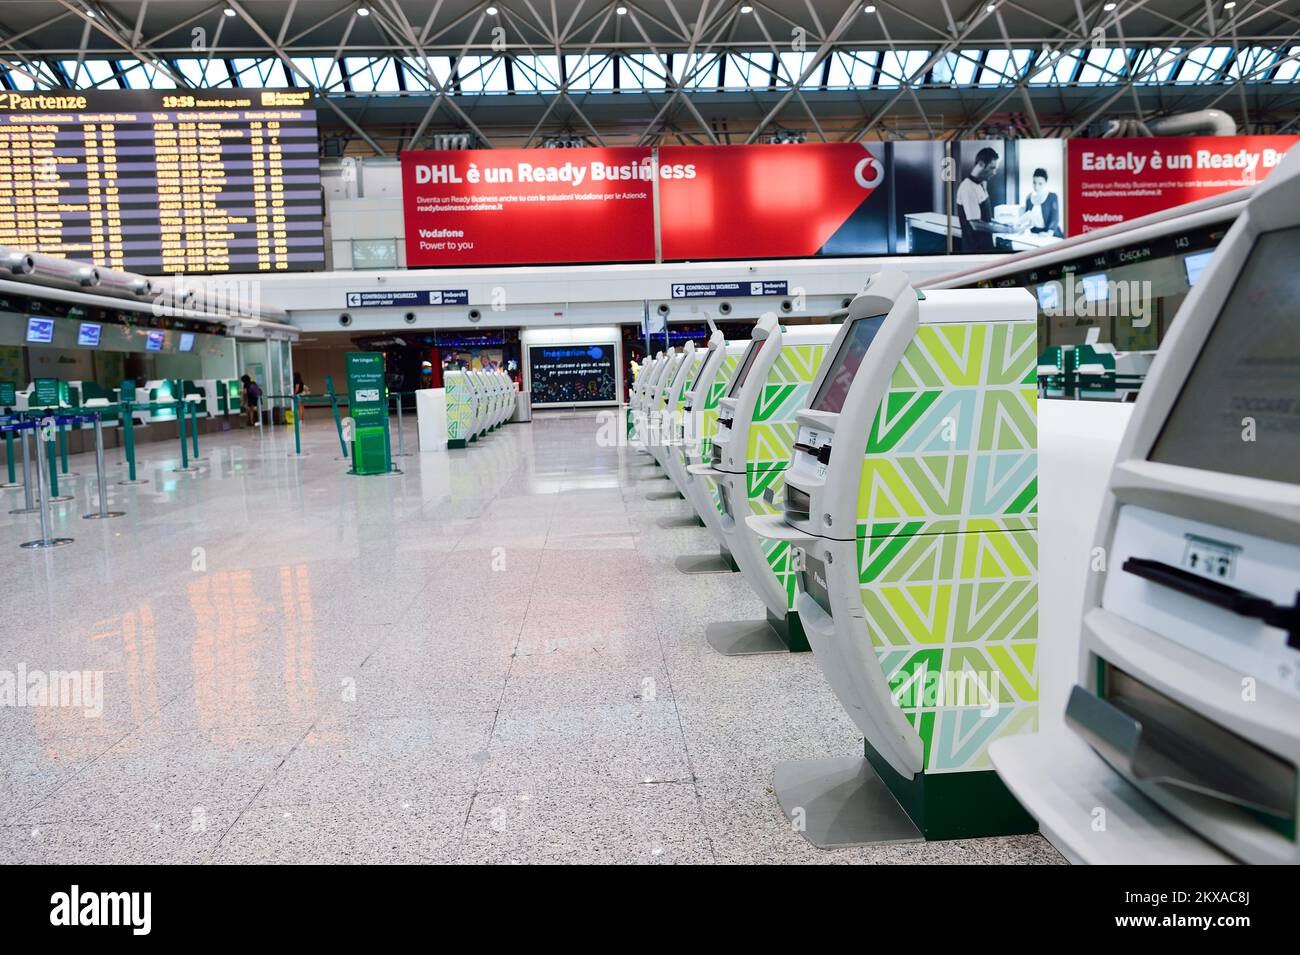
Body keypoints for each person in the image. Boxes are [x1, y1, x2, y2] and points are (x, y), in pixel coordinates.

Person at [955, 146, 1014, 252]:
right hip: (974, 251)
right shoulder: (968, 187)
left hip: (985, 247)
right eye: (992, 168)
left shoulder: (981, 184)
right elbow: (976, 224)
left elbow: (984, 218)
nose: (994, 172)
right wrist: (1005, 230)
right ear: (981, 164)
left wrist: (1002, 224)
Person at [1023, 167, 1062, 237]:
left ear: (1045, 183)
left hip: (1051, 233)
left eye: (1040, 183)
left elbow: (1055, 218)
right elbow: (1026, 218)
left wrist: (1049, 233)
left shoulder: (1052, 197)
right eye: (1034, 183)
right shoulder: (1029, 198)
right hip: (1035, 234)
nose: (1036, 186)